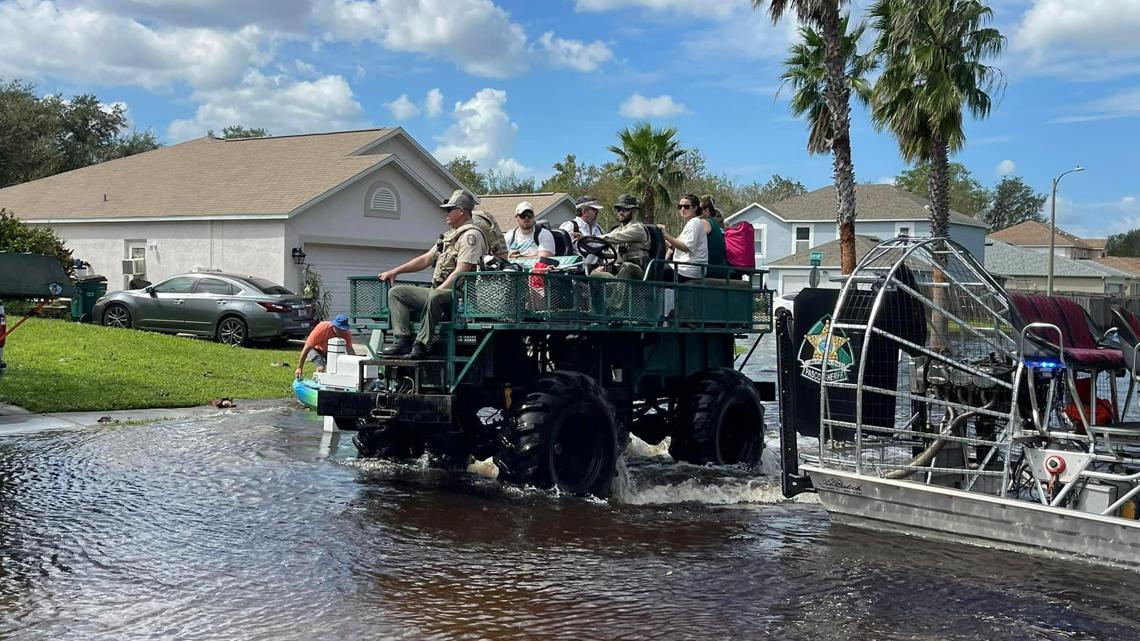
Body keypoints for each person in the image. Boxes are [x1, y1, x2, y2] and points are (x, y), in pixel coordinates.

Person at [378, 189, 488, 359]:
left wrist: (438, 291)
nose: (446, 213)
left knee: (435, 296)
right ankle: (402, 341)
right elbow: (427, 259)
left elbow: (462, 271)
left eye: (449, 209)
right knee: (396, 293)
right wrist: (395, 271)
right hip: (440, 291)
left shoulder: (471, 236)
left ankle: (421, 345)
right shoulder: (449, 236)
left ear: (461, 211)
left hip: (460, 297)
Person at [596, 194, 650, 280]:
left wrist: (595, 238)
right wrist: (604, 266)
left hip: (638, 269)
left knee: (627, 267)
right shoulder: (616, 230)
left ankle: (618, 292)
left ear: (634, 211)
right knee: (595, 274)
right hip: (618, 268)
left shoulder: (637, 228)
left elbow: (616, 237)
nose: (621, 212)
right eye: (619, 209)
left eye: (626, 210)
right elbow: (609, 250)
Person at [658, 193, 707, 282]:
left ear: (695, 208)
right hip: (684, 268)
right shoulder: (691, 223)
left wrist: (666, 235)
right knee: (658, 266)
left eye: (686, 206)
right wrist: (663, 236)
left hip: (688, 270)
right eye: (680, 206)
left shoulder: (694, 223)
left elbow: (686, 247)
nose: (682, 209)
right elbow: (676, 243)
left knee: (656, 270)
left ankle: (660, 296)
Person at [295, 314, 356, 379]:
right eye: (339, 329)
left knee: (336, 369)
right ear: (334, 325)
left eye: (343, 329)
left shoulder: (347, 333)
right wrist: (299, 368)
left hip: (330, 352)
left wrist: (357, 365)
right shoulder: (322, 328)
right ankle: (315, 383)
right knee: (321, 368)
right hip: (315, 349)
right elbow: (307, 347)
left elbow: (350, 350)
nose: (341, 332)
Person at [700, 195, 729, 278]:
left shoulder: (706, 222)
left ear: (706, 211)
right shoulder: (716, 220)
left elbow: (691, 242)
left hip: (711, 266)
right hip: (721, 264)